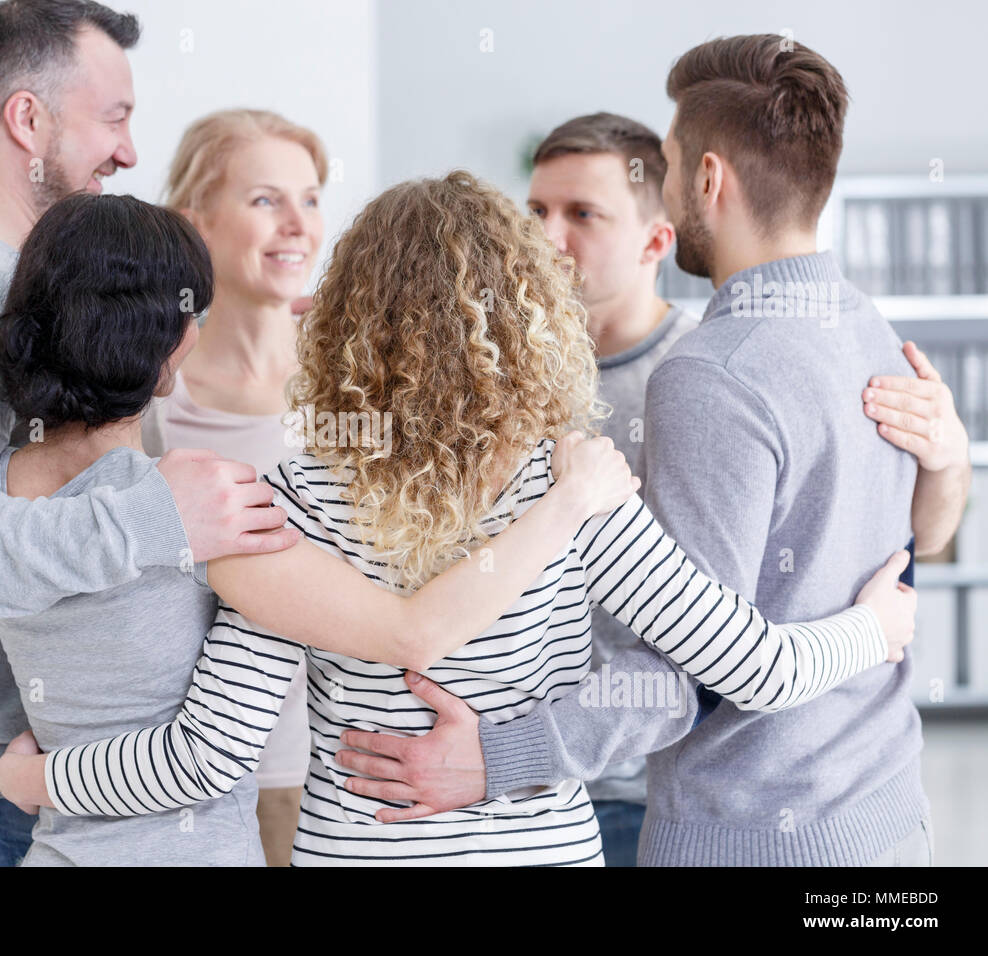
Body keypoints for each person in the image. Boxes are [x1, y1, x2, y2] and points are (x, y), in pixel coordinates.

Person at [0, 171, 917, 866]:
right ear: (531, 318)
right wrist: (872, 630)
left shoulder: (291, 500)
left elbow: (207, 755)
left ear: (350, 320)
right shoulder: (576, 489)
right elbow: (752, 667)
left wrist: (42, 780)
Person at [336, 36, 972, 867]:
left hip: (752, 834)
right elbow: (896, 560)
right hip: (884, 812)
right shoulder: (866, 328)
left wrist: (496, 756)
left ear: (706, 180)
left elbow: (691, 664)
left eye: (668, 164)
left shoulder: (710, 372)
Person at [0, 0, 295, 867]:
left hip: (4, 774)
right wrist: (159, 518)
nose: (129, 151)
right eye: (114, 117)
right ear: (27, 118)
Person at [140, 109, 328, 866]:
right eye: (265, 200)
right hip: (201, 774)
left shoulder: (365, 381)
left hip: (353, 766)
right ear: (197, 223)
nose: (298, 225)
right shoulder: (152, 395)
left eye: (311, 199)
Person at [525, 111, 699, 866]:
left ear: (656, 241)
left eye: (582, 215)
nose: (546, 238)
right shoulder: (507, 374)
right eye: (536, 211)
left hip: (637, 796)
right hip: (510, 778)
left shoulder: (698, 382)